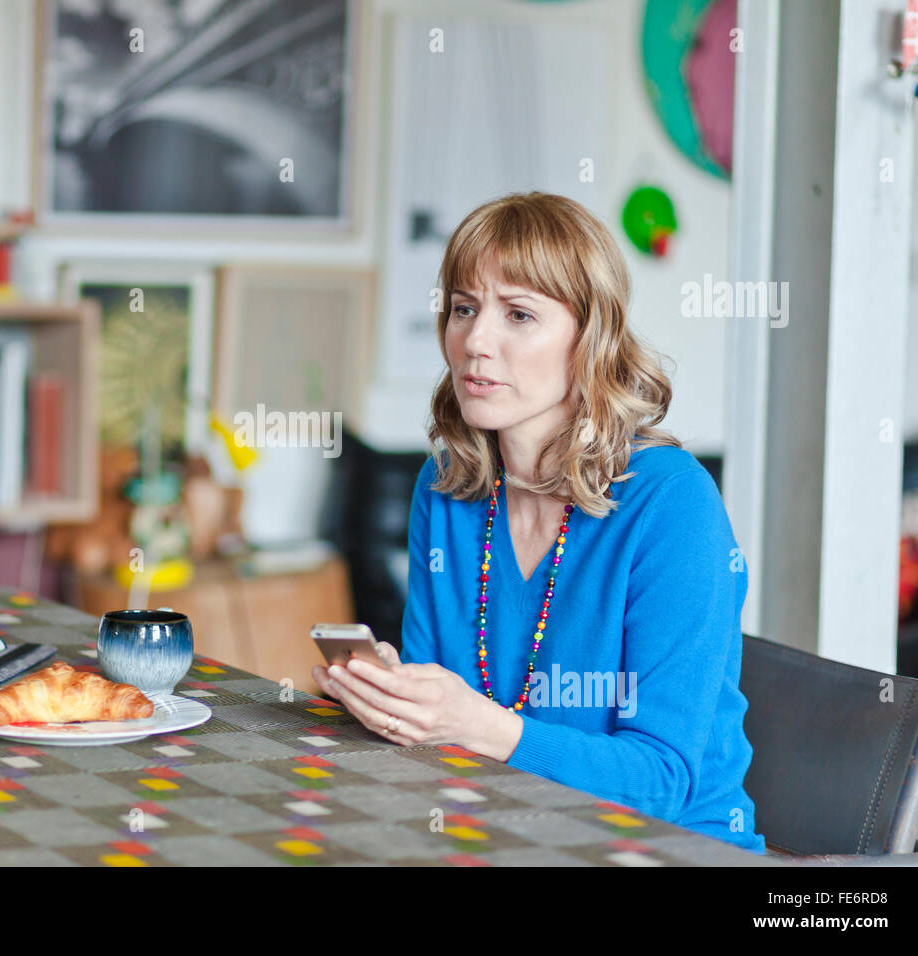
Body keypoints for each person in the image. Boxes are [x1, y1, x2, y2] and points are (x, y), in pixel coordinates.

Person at [312, 192, 765, 854]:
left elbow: (662, 780)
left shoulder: (673, 506)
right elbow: (438, 736)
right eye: (463, 308)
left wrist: (483, 728)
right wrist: (393, 692)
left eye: (519, 314)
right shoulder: (446, 491)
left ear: (592, 340)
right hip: (499, 835)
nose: (475, 340)